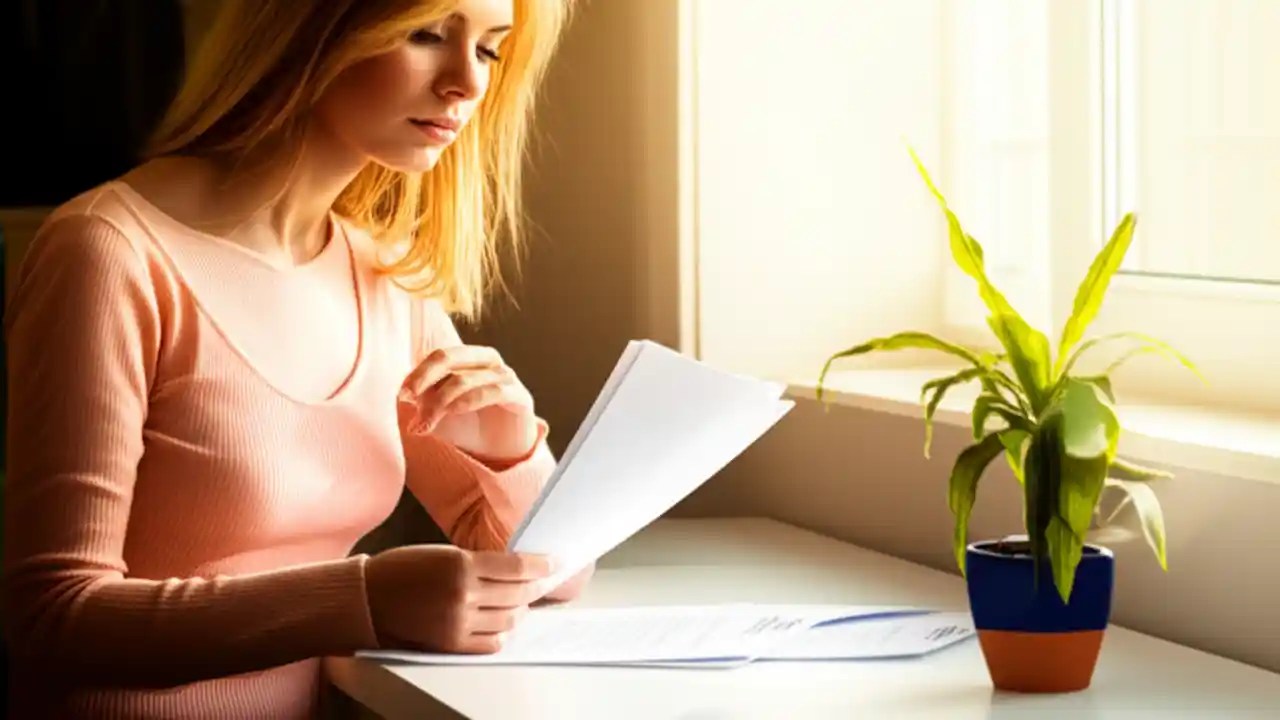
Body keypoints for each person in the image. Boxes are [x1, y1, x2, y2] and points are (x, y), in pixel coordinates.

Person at [1, 0, 590, 716]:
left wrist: (509, 450)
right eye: (427, 33)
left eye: (491, 50)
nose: (466, 82)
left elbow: (561, 574)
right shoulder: (109, 253)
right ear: (311, 29)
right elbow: (52, 617)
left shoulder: (383, 281)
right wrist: (361, 599)